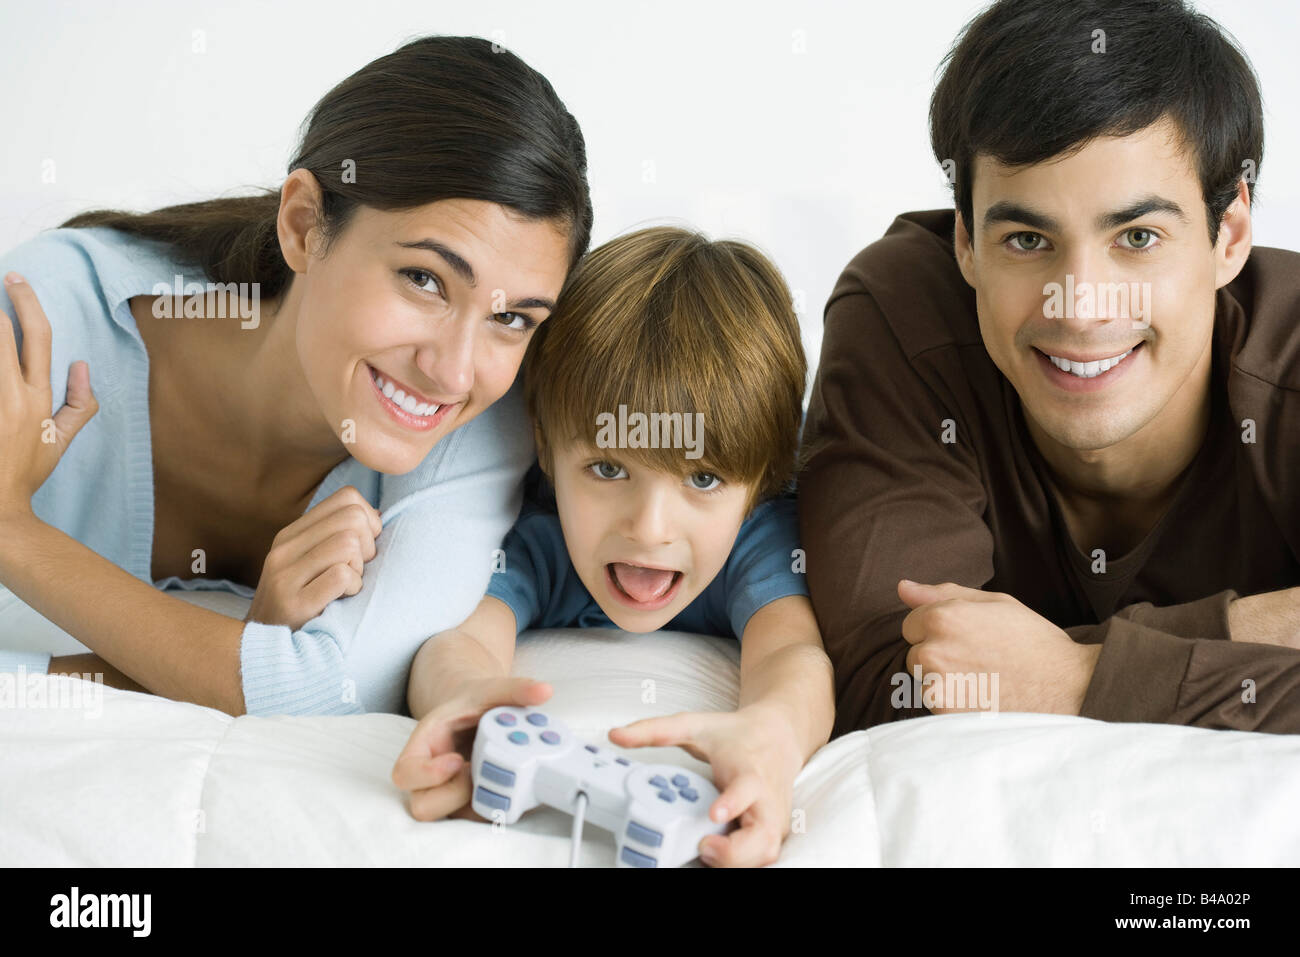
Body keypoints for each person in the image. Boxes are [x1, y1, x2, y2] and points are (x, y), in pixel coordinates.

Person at [0, 35, 592, 716]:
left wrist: (14, 531)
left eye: (513, 317)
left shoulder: (482, 420)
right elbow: (286, 682)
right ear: (304, 225)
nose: (454, 369)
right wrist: (239, 649)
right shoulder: (37, 335)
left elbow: (328, 684)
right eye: (424, 280)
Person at [798, 0, 1300, 737]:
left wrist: (1072, 676)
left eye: (1137, 235)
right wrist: (1259, 625)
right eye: (1029, 240)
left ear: (1230, 235)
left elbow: (961, 674)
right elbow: (890, 682)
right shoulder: (903, 317)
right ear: (966, 241)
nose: (1081, 305)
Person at [392, 227, 834, 867]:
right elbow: (462, 639)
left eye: (703, 480)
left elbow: (792, 652)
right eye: (606, 469)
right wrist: (465, 699)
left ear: (761, 479)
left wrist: (774, 734)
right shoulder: (538, 531)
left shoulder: (759, 536)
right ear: (545, 446)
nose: (649, 528)